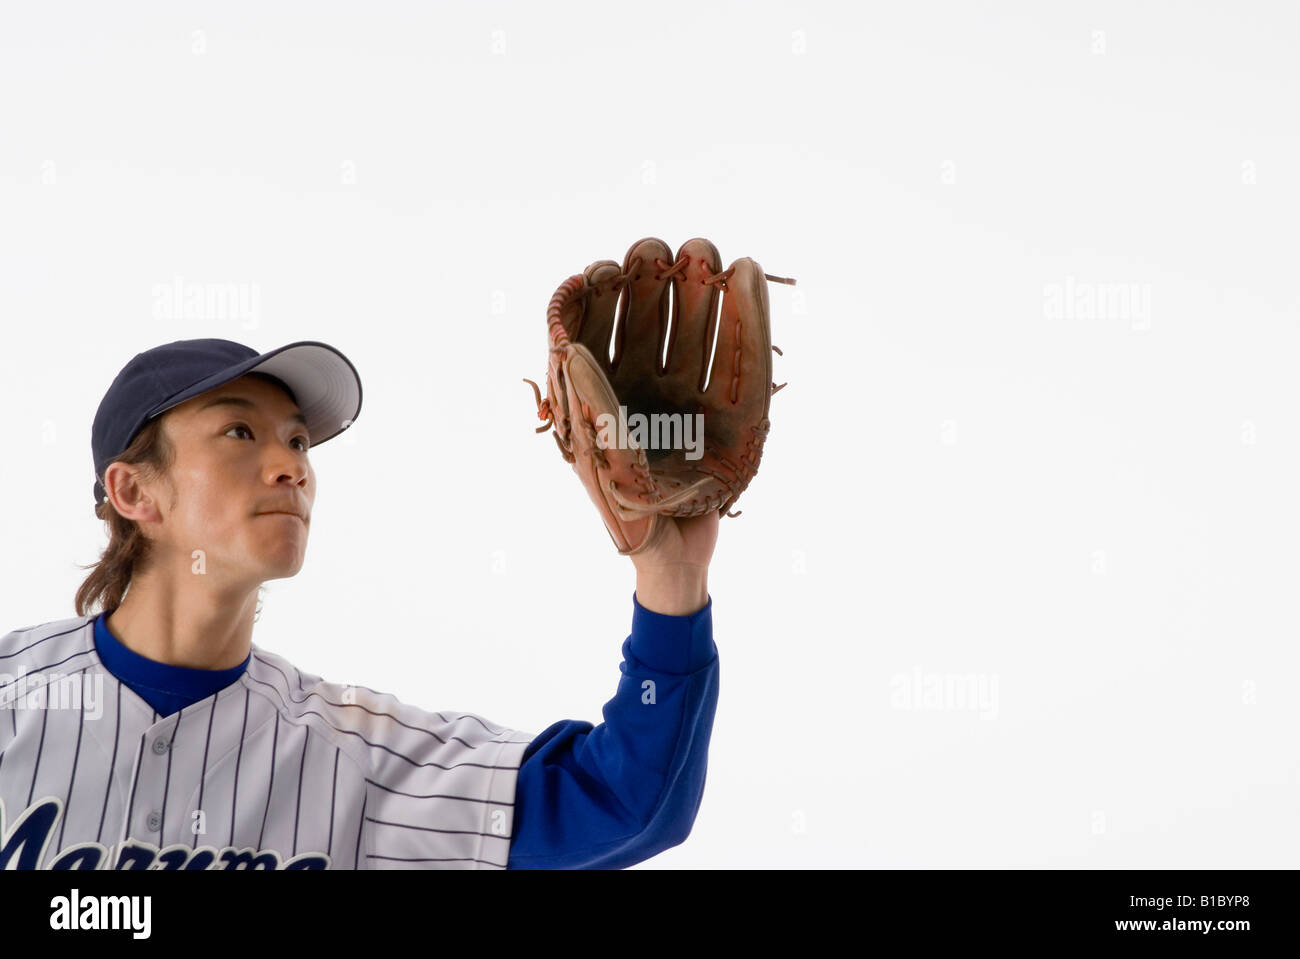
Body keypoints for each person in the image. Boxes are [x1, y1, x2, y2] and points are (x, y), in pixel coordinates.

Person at [0, 338, 719, 869]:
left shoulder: (356, 761)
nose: (291, 466)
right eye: (239, 431)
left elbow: (623, 802)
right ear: (133, 492)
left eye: (298, 440)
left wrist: (669, 578)